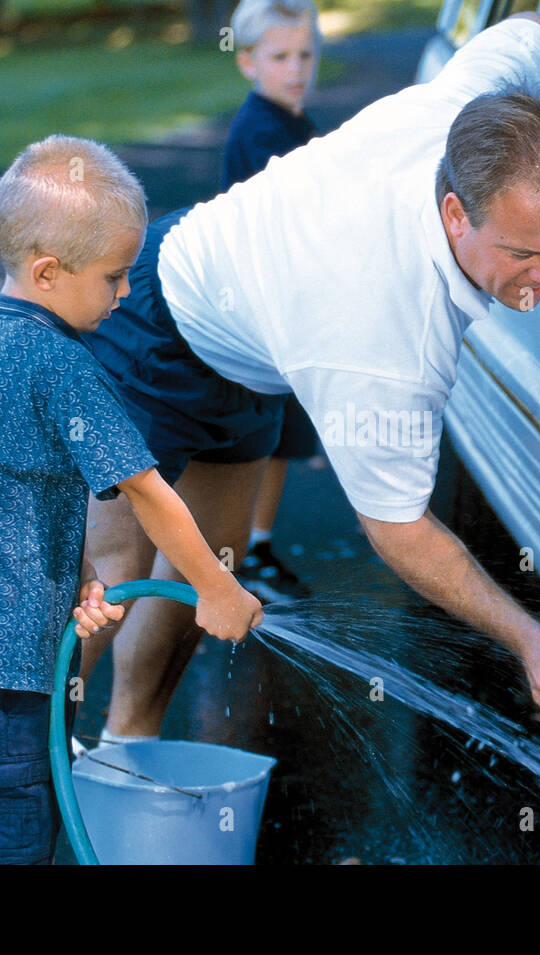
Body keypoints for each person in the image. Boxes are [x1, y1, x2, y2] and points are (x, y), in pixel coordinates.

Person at [76, 13, 540, 746]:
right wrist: (528, 636)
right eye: (524, 253)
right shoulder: (385, 333)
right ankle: (14, 756)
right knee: (112, 568)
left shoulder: (469, 114)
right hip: (155, 323)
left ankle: (124, 745)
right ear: (455, 213)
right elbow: (398, 529)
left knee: (206, 564)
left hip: (252, 353)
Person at [0, 134, 263, 864]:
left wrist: (73, 578)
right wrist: (216, 585)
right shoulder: (64, 365)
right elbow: (148, 490)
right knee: (9, 843)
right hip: (12, 676)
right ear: (48, 272)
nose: (127, 294)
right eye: (114, 277)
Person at [220, 0, 323, 602]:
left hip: (285, 305)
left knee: (280, 434)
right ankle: (236, 553)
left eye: (306, 54)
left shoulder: (292, 123)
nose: (297, 67)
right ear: (248, 63)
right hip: (259, 308)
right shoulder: (262, 132)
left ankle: (256, 544)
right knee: (259, 436)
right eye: (281, 56)